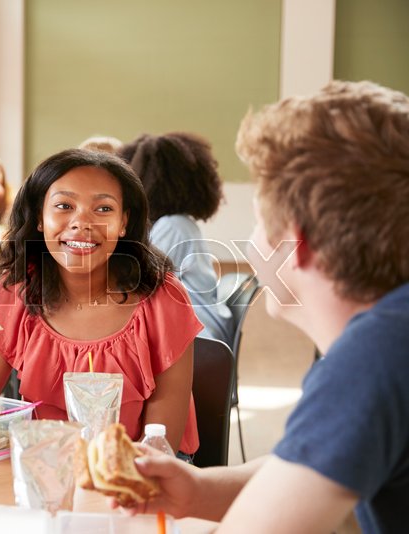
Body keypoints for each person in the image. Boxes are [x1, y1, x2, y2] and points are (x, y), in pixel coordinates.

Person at [120, 81, 409, 533]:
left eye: (257, 219)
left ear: (296, 244)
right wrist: (196, 490)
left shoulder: (375, 357)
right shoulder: (390, 337)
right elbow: (306, 463)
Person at [0, 148, 203, 455]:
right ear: (40, 217)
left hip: (139, 477)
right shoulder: (17, 293)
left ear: (124, 223)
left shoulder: (163, 297)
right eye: (64, 205)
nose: (81, 222)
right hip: (45, 471)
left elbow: (161, 445)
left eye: (103, 209)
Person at [118, 132, 234, 345]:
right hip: (197, 331)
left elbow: (138, 282)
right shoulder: (179, 223)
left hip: (197, 337)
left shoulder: (173, 226)